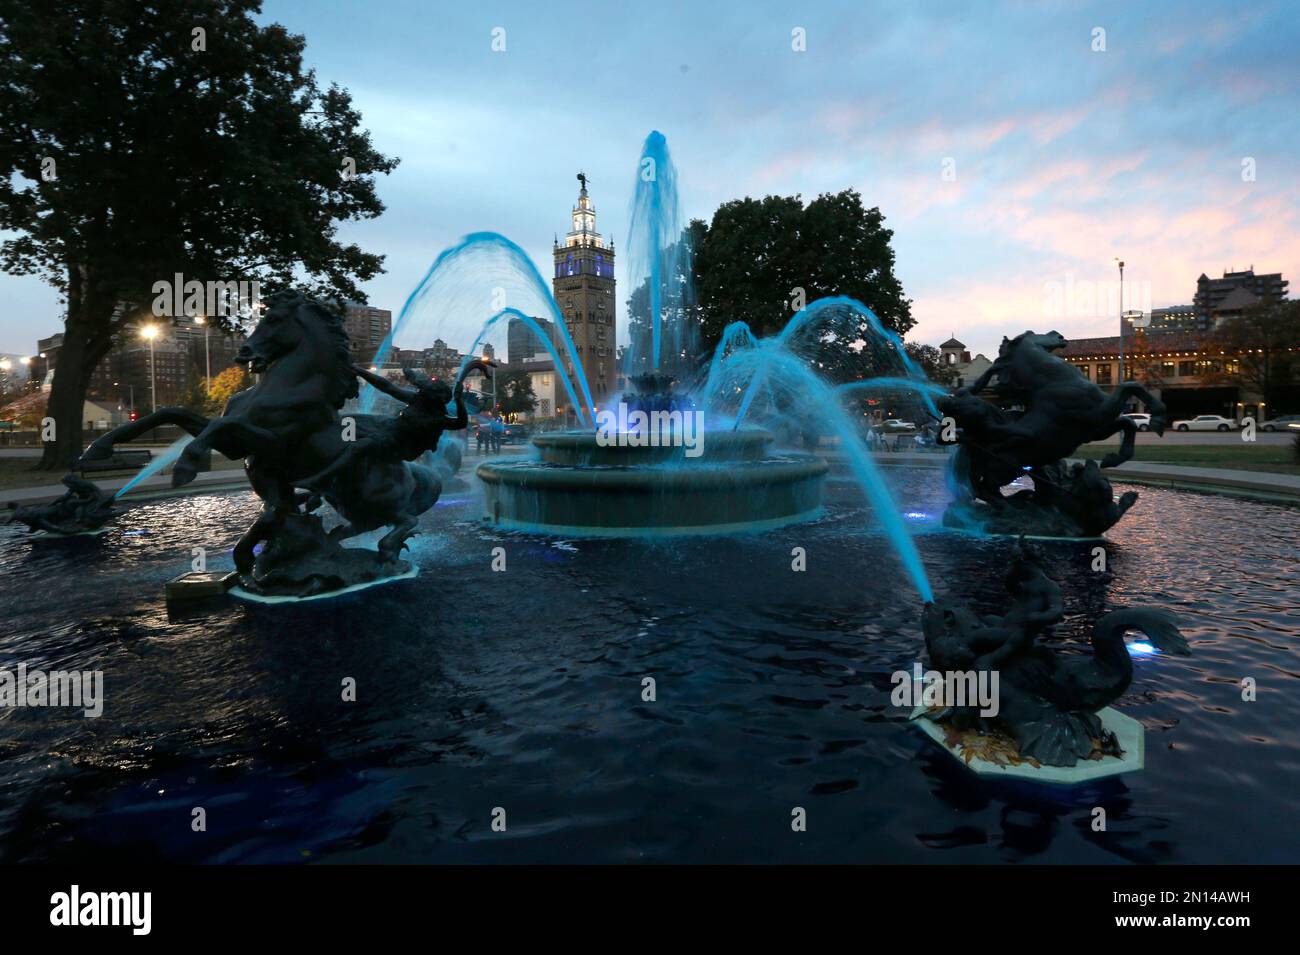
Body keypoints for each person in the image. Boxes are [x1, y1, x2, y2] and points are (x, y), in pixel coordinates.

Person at [298, 365, 467, 489]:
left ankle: (322, 479)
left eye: (424, 391)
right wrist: (359, 371)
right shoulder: (417, 401)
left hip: (396, 443)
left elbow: (461, 422)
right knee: (347, 421)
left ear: (431, 398)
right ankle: (334, 453)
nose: (420, 392)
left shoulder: (436, 418)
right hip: (387, 425)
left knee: (358, 446)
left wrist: (460, 402)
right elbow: (387, 387)